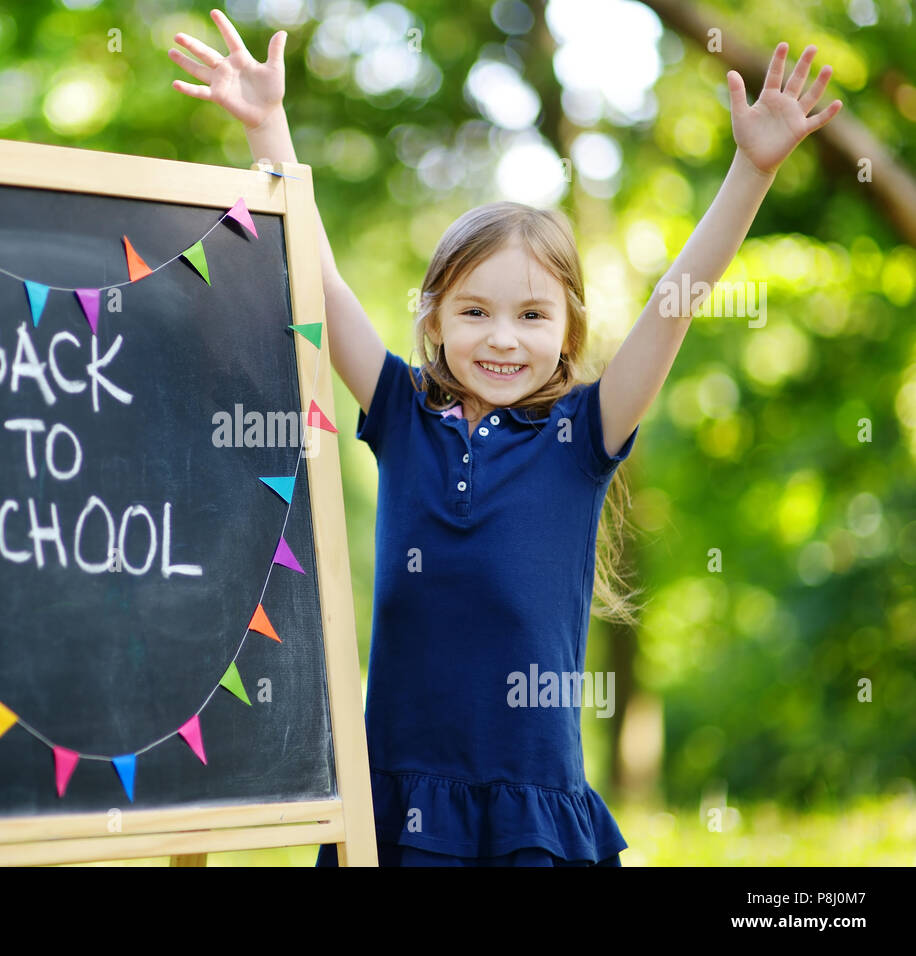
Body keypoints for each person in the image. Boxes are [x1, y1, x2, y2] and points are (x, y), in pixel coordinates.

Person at [169, 12, 842, 866]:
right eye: (474, 311)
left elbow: (676, 301)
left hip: (530, 802)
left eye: (531, 315)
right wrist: (269, 126)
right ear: (437, 321)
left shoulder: (583, 434)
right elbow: (317, 274)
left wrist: (751, 169)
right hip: (401, 795)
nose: (501, 337)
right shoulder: (401, 414)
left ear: (567, 332)